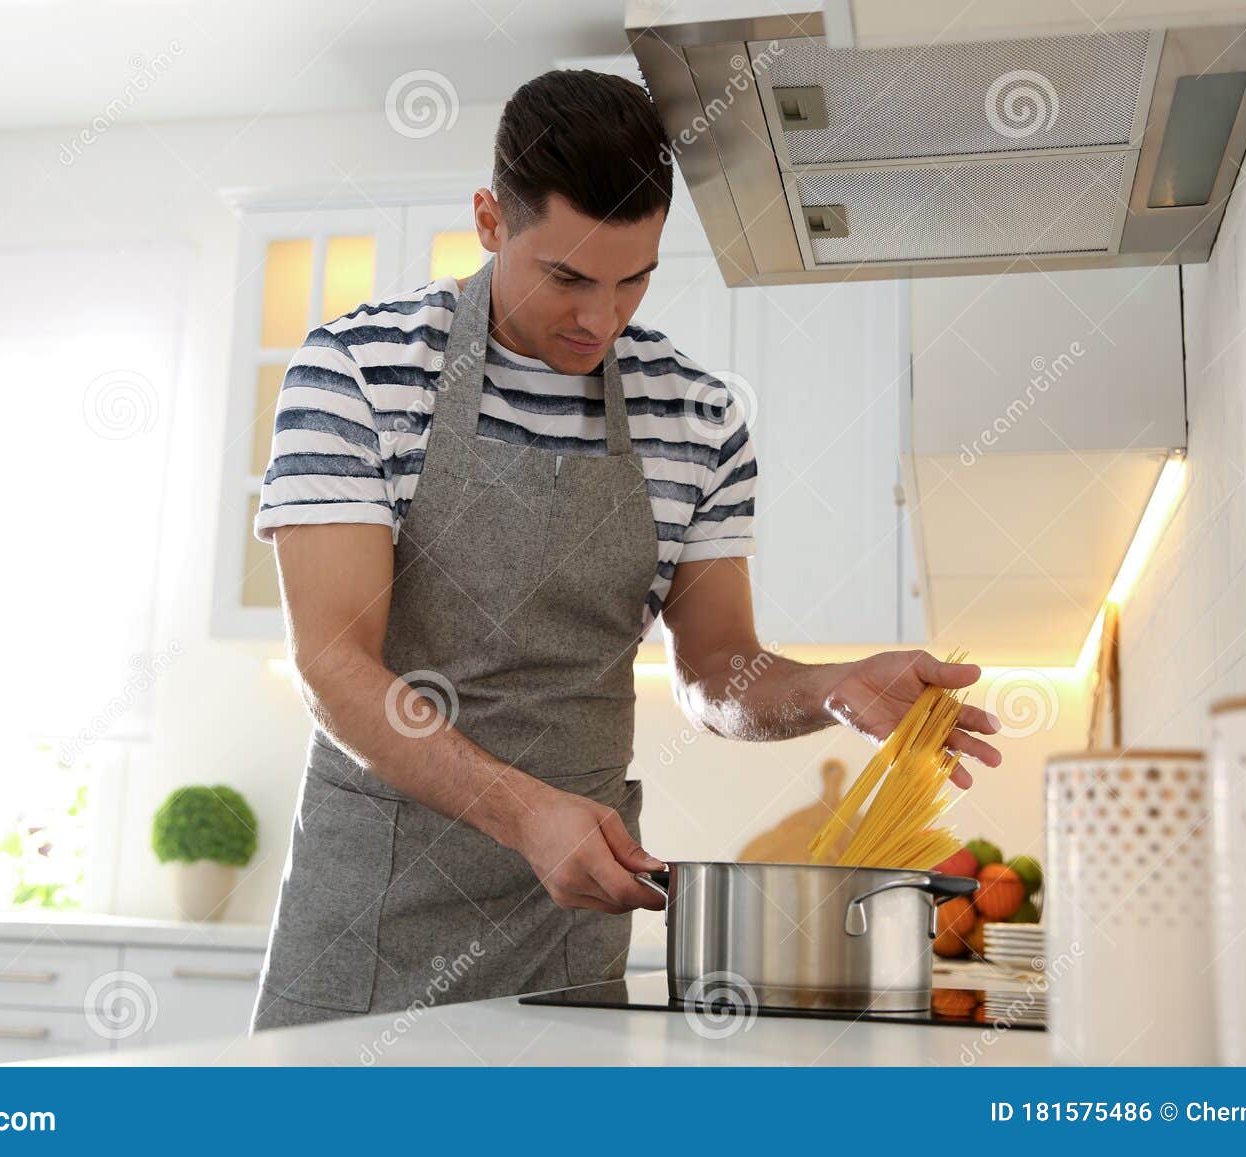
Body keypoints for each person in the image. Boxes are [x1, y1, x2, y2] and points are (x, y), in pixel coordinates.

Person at [249, 69, 1001, 1030]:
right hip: (373, 920)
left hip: (574, 914)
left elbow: (720, 671)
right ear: (489, 219)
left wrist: (831, 686)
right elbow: (333, 663)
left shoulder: (697, 413)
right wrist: (528, 815)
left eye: (633, 278)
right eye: (567, 277)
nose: (600, 320)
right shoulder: (356, 371)